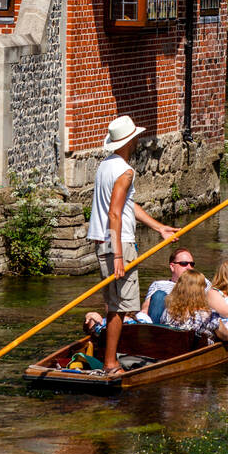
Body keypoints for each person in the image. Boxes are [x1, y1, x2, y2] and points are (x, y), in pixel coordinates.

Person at [86, 114, 177, 376]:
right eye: (135, 137)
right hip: (119, 244)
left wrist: (158, 227)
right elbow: (115, 213)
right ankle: (111, 363)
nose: (137, 140)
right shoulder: (125, 171)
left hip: (103, 241)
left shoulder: (105, 166)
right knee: (122, 307)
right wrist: (117, 255)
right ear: (129, 141)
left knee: (114, 304)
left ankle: (109, 355)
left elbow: (127, 206)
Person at [140, 249, 212, 324]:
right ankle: (153, 331)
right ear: (172, 266)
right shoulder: (159, 285)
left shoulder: (202, 282)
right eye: (184, 263)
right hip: (165, 324)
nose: (189, 267)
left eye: (192, 264)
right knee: (159, 295)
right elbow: (146, 307)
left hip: (193, 323)